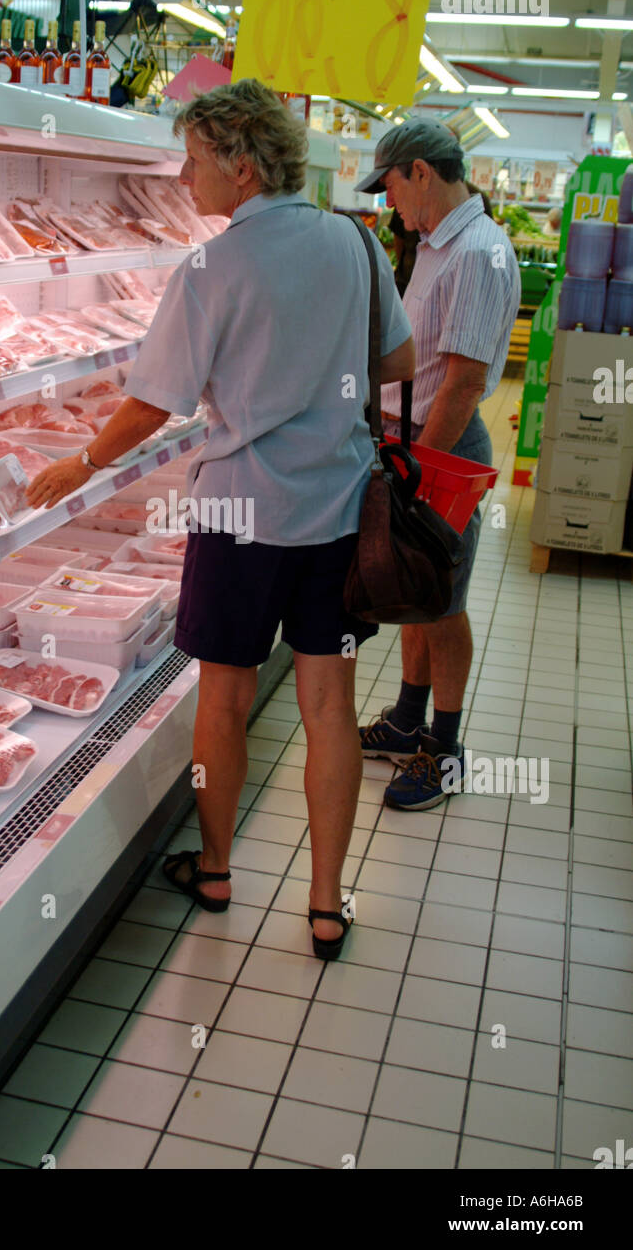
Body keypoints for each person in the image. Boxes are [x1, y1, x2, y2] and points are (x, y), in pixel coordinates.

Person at [27, 79, 414, 959]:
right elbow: (398, 358)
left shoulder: (213, 267)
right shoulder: (354, 242)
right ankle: (324, 904)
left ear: (242, 166)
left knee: (224, 698)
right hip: (341, 509)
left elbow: (149, 405)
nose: (184, 176)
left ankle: (216, 868)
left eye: (195, 160)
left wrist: (80, 462)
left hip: (240, 513)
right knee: (328, 703)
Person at [354, 117, 520, 811]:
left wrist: (417, 471)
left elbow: (460, 381)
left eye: (389, 184)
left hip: (442, 451)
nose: (388, 202)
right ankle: (405, 720)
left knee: (443, 604)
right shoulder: (437, 244)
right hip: (414, 443)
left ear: (420, 171)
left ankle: (443, 750)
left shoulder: (479, 252)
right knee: (418, 591)